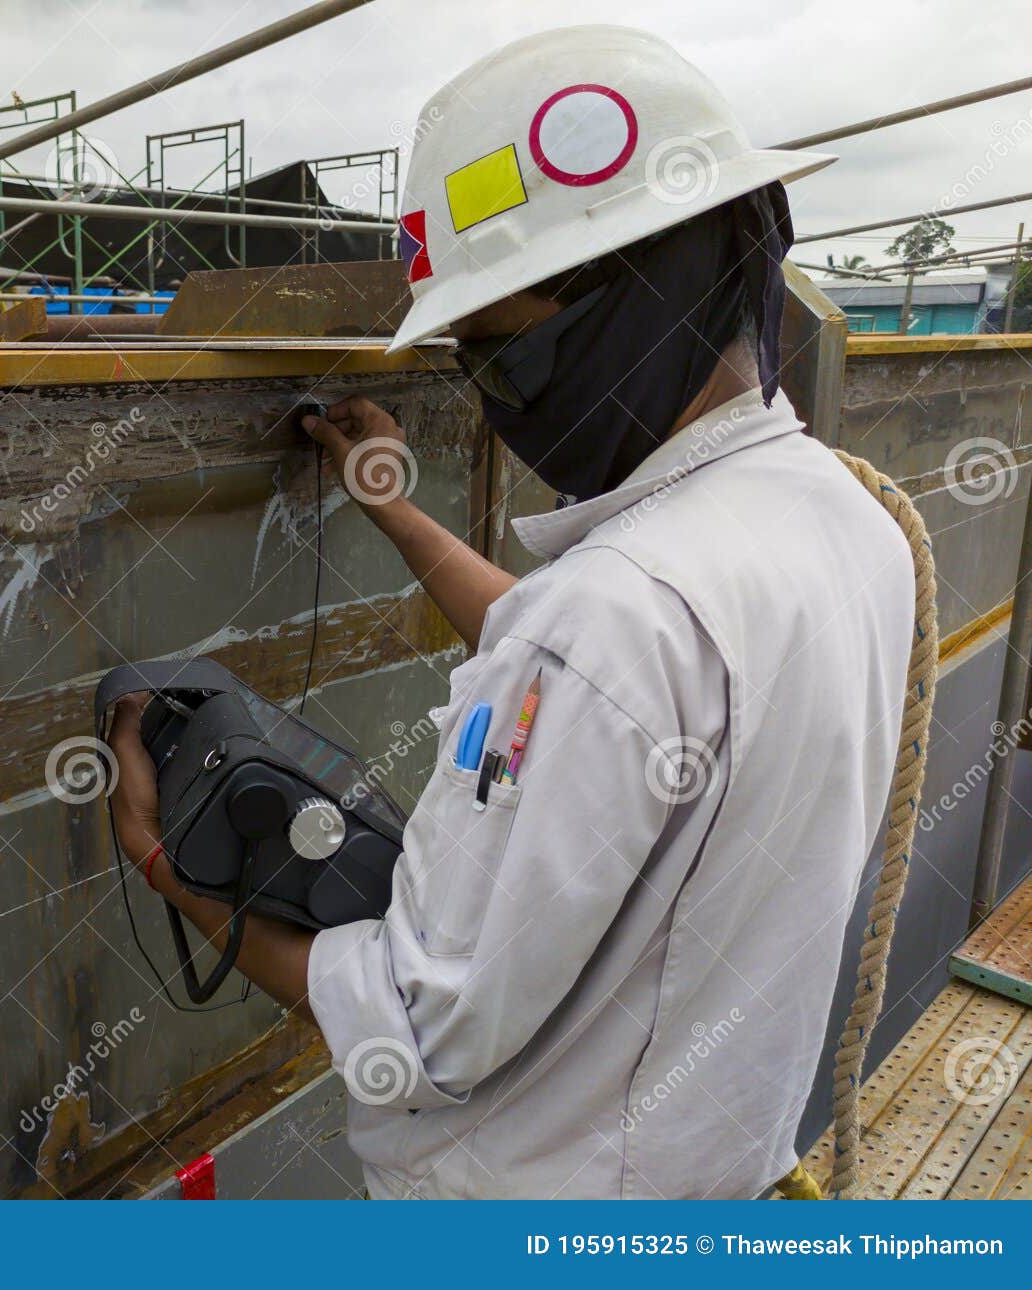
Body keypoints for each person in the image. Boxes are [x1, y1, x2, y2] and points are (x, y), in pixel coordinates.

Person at [104, 25, 914, 1198]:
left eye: (498, 355)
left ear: (645, 293)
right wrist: (398, 514)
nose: (495, 403)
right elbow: (611, 695)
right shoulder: (842, 521)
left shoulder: (617, 616)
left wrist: (167, 867)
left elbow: (415, 1032)